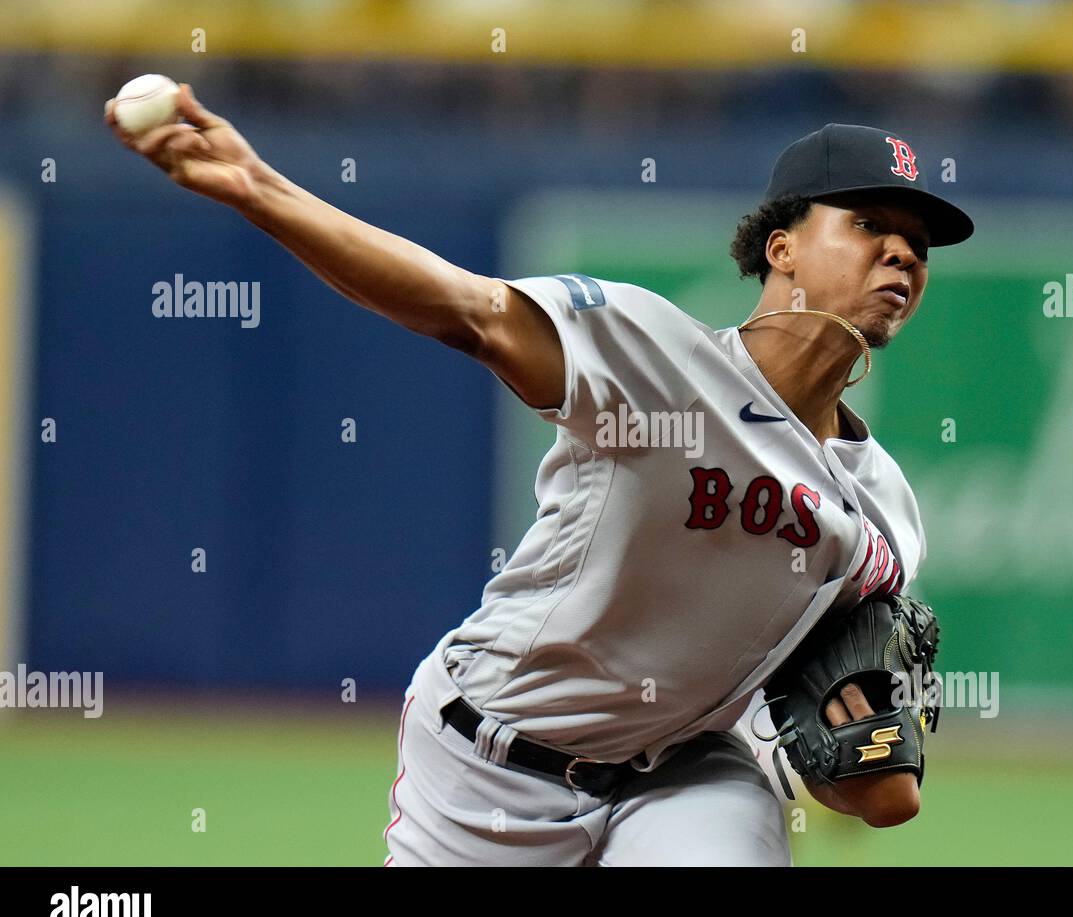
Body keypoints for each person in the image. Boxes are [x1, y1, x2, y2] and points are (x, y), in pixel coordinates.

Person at [106, 88, 973, 866]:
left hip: (682, 774)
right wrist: (260, 188)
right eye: (868, 224)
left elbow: (859, 768)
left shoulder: (884, 510)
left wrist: (858, 765)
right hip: (491, 757)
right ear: (782, 247)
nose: (901, 252)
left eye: (918, 244)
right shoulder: (656, 360)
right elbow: (465, 309)